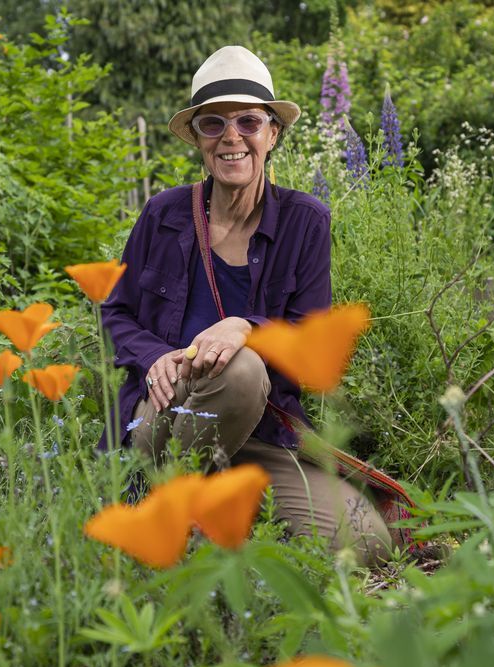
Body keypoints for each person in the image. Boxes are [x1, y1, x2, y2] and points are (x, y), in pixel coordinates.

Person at [100, 46, 393, 567]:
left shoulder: (306, 221)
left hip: (261, 435)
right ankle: (164, 518)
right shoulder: (163, 215)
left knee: (366, 542)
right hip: (166, 419)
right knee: (238, 371)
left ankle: (220, 516)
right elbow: (116, 311)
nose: (231, 137)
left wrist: (245, 325)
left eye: (248, 121)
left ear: (272, 134)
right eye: (213, 124)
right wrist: (153, 359)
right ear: (197, 140)